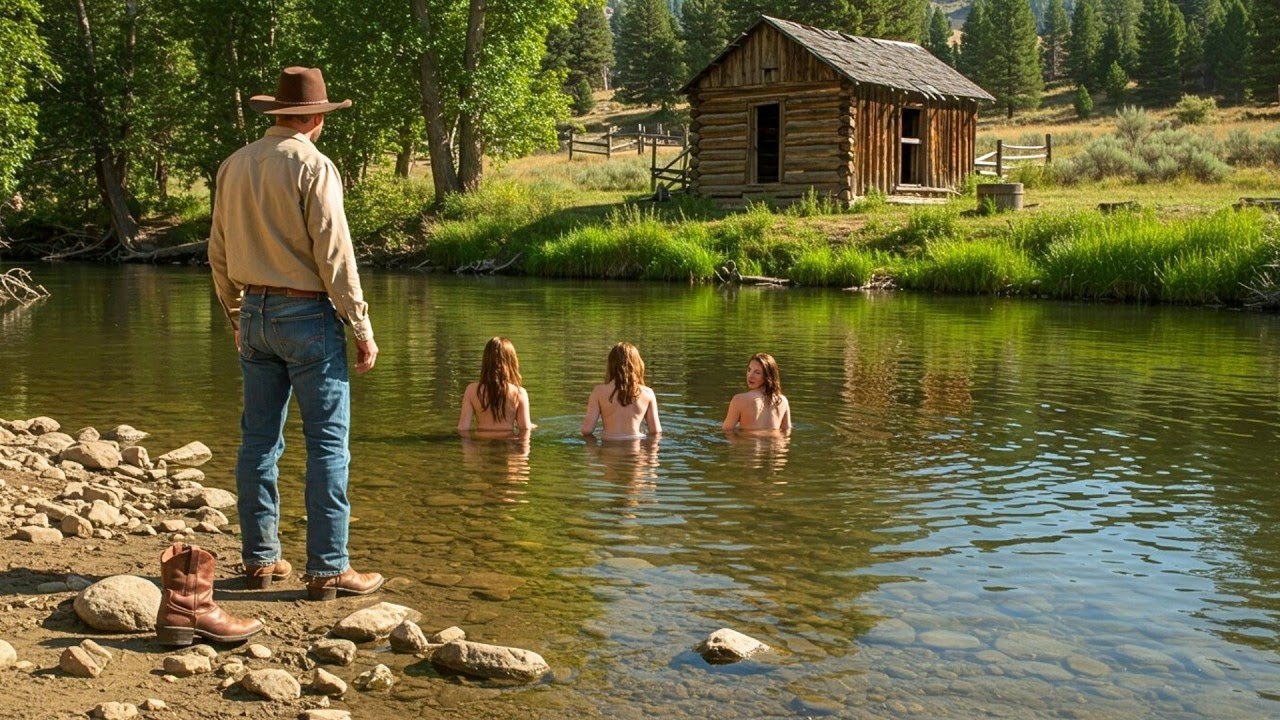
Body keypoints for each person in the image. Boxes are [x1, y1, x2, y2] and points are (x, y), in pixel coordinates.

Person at [208, 66, 383, 602]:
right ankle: (329, 568)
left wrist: (237, 315)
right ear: (314, 118)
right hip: (308, 316)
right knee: (328, 445)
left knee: (258, 442)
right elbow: (334, 254)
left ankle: (261, 560)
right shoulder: (314, 166)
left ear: (277, 113)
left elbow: (217, 251)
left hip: (255, 312)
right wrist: (361, 325)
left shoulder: (234, 165)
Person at [581, 342, 661, 439]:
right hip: (636, 449)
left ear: (611, 364)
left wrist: (594, 450)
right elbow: (656, 431)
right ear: (637, 364)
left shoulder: (598, 392)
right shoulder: (648, 393)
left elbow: (587, 430)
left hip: (608, 450)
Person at [457, 337, 534, 435]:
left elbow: (463, 428)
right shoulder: (519, 393)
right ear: (512, 362)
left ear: (486, 361)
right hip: (509, 447)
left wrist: (470, 450)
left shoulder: (471, 390)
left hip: (482, 447)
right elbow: (525, 429)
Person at [722, 353, 792, 432]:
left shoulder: (739, 399)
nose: (750, 376)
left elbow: (726, 431)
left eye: (757, 372)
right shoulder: (783, 401)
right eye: (749, 370)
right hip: (775, 444)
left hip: (748, 444)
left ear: (768, 377)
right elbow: (787, 431)